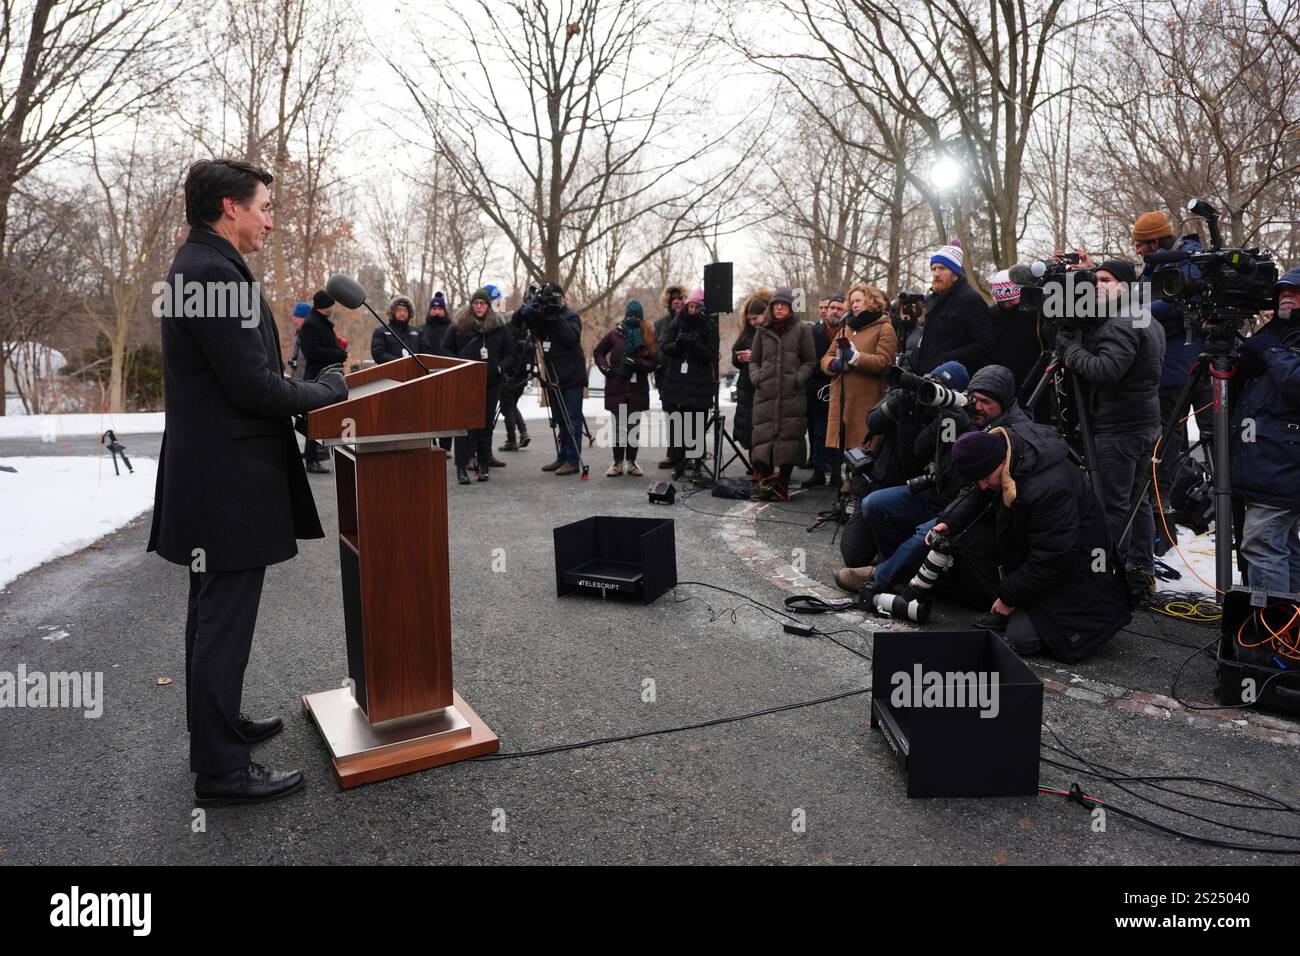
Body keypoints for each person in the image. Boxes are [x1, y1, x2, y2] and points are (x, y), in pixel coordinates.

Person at [148, 158, 348, 805]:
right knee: (222, 622)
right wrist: (326, 390)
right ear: (229, 207)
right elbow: (253, 386)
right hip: (226, 485)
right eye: (264, 205)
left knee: (211, 618)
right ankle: (221, 769)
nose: (270, 218)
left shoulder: (200, 265)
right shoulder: (211, 272)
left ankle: (217, 730)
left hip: (211, 479)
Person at [934, 426, 1131, 661]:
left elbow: (1054, 559)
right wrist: (949, 521)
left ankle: (1022, 608)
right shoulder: (1008, 456)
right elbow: (978, 493)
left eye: (985, 478)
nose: (984, 485)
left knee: (1021, 638)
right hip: (1045, 556)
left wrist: (1008, 596)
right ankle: (1013, 602)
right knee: (970, 541)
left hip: (1078, 573)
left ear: (999, 463)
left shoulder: (1048, 488)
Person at [1057, 259, 1165, 588]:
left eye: (1105, 280)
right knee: (1139, 501)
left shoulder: (1121, 322)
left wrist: (1071, 350)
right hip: (1145, 423)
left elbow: (1106, 371)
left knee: (1113, 504)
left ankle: (1104, 574)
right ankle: (1140, 568)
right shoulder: (1145, 316)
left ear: (1123, 285)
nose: (1097, 286)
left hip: (1118, 428)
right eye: (1096, 280)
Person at [835, 361, 970, 592]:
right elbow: (872, 422)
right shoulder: (904, 397)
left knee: (876, 531)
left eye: (938, 386)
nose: (928, 388)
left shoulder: (947, 420)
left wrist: (911, 419)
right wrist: (899, 401)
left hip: (909, 487)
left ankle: (892, 564)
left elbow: (913, 456)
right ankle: (890, 557)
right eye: (930, 381)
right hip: (876, 481)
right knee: (853, 554)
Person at [1133, 210, 1213, 548]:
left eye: (1140, 244)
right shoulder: (1155, 268)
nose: (1136, 250)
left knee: (1202, 437)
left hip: (1186, 367)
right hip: (1169, 367)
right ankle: (1165, 517)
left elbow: (1185, 301)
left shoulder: (1187, 263)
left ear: (1156, 241)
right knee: (1169, 442)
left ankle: (1216, 506)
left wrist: (1138, 311)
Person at [1231, 266, 1300, 593]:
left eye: (1296, 293)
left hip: (1283, 460)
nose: (1288, 298)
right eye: (1283, 291)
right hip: (1268, 458)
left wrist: (1269, 349)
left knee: (1263, 545)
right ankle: (1291, 628)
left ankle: (1270, 635)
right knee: (1283, 545)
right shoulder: (1276, 334)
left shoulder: (1277, 342)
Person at [822, 284, 897, 491]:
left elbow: (884, 362)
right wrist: (834, 364)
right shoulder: (846, 327)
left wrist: (855, 358)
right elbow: (826, 358)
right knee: (846, 450)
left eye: (858, 301)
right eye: (852, 301)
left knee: (864, 453)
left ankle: (858, 497)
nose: (854, 305)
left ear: (871, 301)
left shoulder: (884, 328)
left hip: (867, 401)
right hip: (843, 400)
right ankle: (846, 496)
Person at [443, 287, 517, 484]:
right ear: (471, 305)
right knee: (463, 427)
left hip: (490, 383)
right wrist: (458, 364)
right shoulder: (459, 326)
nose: (479, 307)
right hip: (465, 383)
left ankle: (484, 466)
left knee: (485, 426)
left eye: (482, 303)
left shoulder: (499, 328)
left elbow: (511, 353)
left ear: (488, 306)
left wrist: (501, 368)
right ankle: (462, 468)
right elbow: (445, 348)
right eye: (476, 303)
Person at [748, 286, 816, 500]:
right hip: (766, 394)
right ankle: (767, 485)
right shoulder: (762, 330)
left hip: (791, 394)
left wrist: (798, 378)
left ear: (790, 307)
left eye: (783, 305)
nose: (779, 308)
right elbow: (753, 360)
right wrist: (757, 377)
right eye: (775, 304)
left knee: (788, 440)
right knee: (764, 440)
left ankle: (782, 487)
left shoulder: (802, 329)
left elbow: (810, 361)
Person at [514, 282, 586, 476]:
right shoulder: (545, 318)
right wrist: (526, 314)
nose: (555, 303)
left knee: (572, 419)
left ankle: (572, 460)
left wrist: (556, 318)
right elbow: (519, 326)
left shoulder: (571, 317)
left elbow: (571, 339)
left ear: (563, 299)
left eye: (557, 299)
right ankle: (562, 457)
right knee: (559, 420)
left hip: (572, 377)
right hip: (554, 376)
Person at [907, 241, 994, 375]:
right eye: (933, 268)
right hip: (925, 379)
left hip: (950, 382)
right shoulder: (934, 299)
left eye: (942, 268)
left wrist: (947, 359)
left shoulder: (970, 300)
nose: (936, 274)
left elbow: (985, 345)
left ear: (955, 274)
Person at [658, 287, 717, 480]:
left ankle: (698, 463)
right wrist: (680, 344)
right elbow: (666, 346)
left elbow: (711, 355)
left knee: (697, 425)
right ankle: (680, 462)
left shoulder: (709, 325)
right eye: (690, 306)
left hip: (699, 382)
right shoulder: (678, 321)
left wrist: (695, 345)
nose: (692, 310)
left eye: (696, 306)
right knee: (679, 425)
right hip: (678, 381)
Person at [593, 300, 658, 476]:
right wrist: (605, 369)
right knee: (618, 428)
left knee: (633, 427)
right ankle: (617, 463)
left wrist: (638, 363)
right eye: (630, 315)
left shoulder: (647, 335)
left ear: (642, 318)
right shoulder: (615, 334)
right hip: (617, 386)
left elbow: (654, 361)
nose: (633, 319)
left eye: (636, 316)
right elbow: (598, 351)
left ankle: (632, 462)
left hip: (637, 389)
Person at [298, 289, 349, 473]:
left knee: (324, 418)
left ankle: (318, 456)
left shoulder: (321, 323)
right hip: (317, 377)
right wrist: (337, 354)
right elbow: (311, 352)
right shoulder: (311, 325)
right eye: (331, 304)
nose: (333, 307)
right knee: (315, 419)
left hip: (327, 375)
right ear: (324, 306)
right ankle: (311, 458)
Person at [803, 294, 843, 488]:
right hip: (818, 389)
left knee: (838, 434)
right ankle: (818, 471)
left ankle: (836, 473)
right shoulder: (814, 332)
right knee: (819, 432)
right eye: (831, 307)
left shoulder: (848, 332)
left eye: (838, 308)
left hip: (841, 390)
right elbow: (809, 360)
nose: (833, 311)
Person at [988, 269, 1041, 395]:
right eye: (1002, 302)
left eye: (1011, 301)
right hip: (1003, 378)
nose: (1007, 305)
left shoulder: (1034, 312)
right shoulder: (991, 315)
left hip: (1035, 377)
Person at [730, 290, 770, 451]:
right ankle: (755, 462)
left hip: (763, 383)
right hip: (746, 384)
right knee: (748, 426)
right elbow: (735, 353)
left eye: (756, 318)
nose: (753, 322)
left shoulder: (771, 332)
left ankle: (761, 464)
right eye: (750, 319)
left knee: (761, 427)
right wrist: (739, 358)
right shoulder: (746, 333)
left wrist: (755, 356)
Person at [654, 283, 687, 468]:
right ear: (669, 302)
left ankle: (689, 456)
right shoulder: (660, 324)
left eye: (680, 299)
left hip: (686, 377)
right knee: (671, 416)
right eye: (673, 299)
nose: (677, 302)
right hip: (666, 377)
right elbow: (656, 350)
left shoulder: (691, 321)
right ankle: (673, 455)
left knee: (689, 415)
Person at [420, 291, 454, 452]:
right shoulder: (423, 329)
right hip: (427, 373)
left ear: (444, 310)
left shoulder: (451, 328)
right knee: (428, 411)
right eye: (434, 308)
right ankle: (431, 443)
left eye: (440, 308)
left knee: (447, 411)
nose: (437, 311)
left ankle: (446, 446)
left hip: (447, 373)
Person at [370, 294, 421, 363]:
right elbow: (378, 354)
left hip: (415, 371)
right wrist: (400, 362)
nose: (402, 313)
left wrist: (412, 363)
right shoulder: (381, 331)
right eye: (399, 310)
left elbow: (426, 354)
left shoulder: (418, 332)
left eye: (405, 311)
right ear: (392, 312)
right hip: (389, 371)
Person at [287, 302, 310, 380]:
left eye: (297, 318)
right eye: (294, 318)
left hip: (306, 386)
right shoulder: (299, 335)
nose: (294, 321)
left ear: (305, 319)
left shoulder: (310, 337)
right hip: (298, 383)